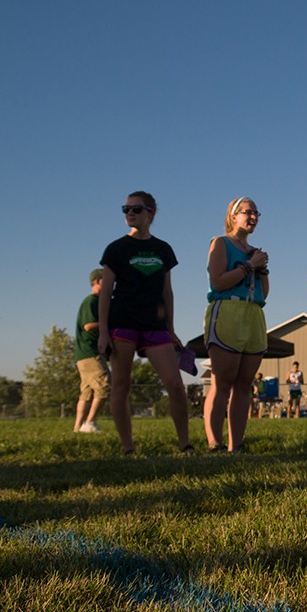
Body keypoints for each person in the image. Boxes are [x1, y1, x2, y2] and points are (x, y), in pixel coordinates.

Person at [97, 191, 192, 455]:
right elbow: (105, 293)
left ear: (151, 212)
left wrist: (171, 330)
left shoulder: (163, 249)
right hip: (122, 323)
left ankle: (185, 443)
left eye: (136, 209)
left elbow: (167, 292)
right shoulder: (115, 249)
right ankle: (128, 447)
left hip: (155, 326)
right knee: (121, 384)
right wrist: (103, 332)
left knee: (174, 383)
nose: (129, 213)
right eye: (125, 209)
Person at [202, 197, 268, 452]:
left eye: (256, 212)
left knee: (244, 384)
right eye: (247, 212)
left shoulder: (255, 252)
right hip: (227, 311)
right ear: (233, 216)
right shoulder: (220, 243)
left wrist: (261, 268)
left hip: (253, 314)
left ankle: (236, 444)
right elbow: (218, 281)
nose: (253, 217)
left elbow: (265, 292)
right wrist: (250, 265)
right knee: (223, 381)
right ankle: (214, 442)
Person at [73, 268, 109, 433]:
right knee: (105, 386)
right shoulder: (92, 301)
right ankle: (89, 422)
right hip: (91, 352)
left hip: (82, 355)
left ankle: (77, 427)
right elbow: (88, 325)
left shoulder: (94, 301)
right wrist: (110, 326)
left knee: (86, 392)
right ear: (97, 282)